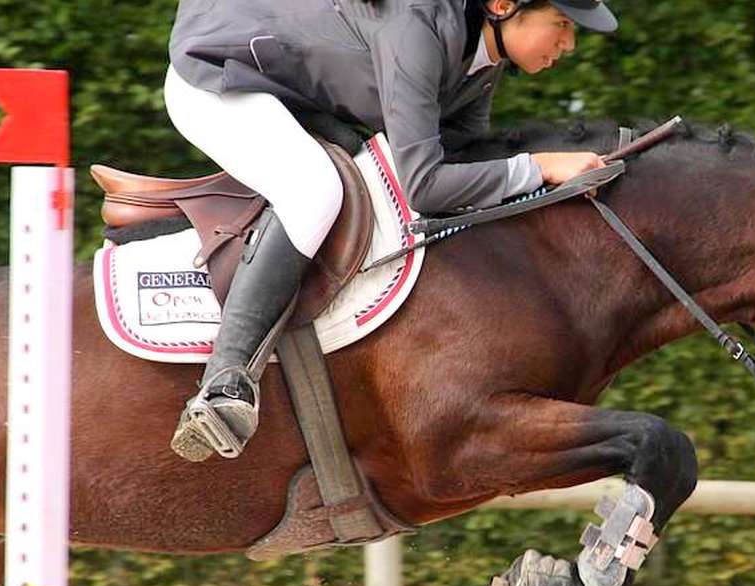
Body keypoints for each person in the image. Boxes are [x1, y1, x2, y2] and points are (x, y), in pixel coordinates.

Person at [164, 0, 618, 461]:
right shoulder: (417, 33)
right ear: (502, 5)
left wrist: (559, 181)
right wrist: (540, 166)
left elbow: (466, 167)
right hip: (217, 76)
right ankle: (225, 381)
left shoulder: (479, 68)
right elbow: (424, 186)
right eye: (560, 23)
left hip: (288, 92)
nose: (569, 42)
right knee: (315, 190)